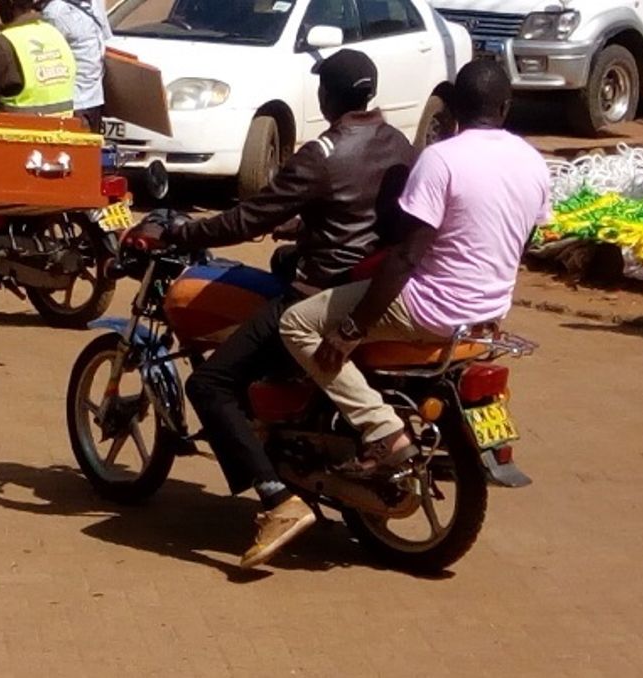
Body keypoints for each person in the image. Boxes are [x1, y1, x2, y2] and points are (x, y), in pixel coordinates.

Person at [129, 50, 415, 569]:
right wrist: (303, 227)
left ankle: (276, 499)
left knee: (209, 385)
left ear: (328, 96)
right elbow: (361, 212)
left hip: (319, 292)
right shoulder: (396, 142)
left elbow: (246, 218)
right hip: (367, 283)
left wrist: (179, 231)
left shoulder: (322, 154)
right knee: (280, 265)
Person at [278, 61, 551, 476]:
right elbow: (524, 241)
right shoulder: (533, 162)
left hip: (430, 310)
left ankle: (384, 430)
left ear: (454, 106)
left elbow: (406, 255)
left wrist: (352, 329)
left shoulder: (441, 159)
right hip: (490, 312)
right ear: (505, 107)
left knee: (296, 324)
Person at [41, 0, 112, 132]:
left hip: (95, 101)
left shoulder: (96, 3)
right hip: (73, 104)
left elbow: (104, 44)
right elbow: (46, 59)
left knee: (93, 151)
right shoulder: (55, 12)